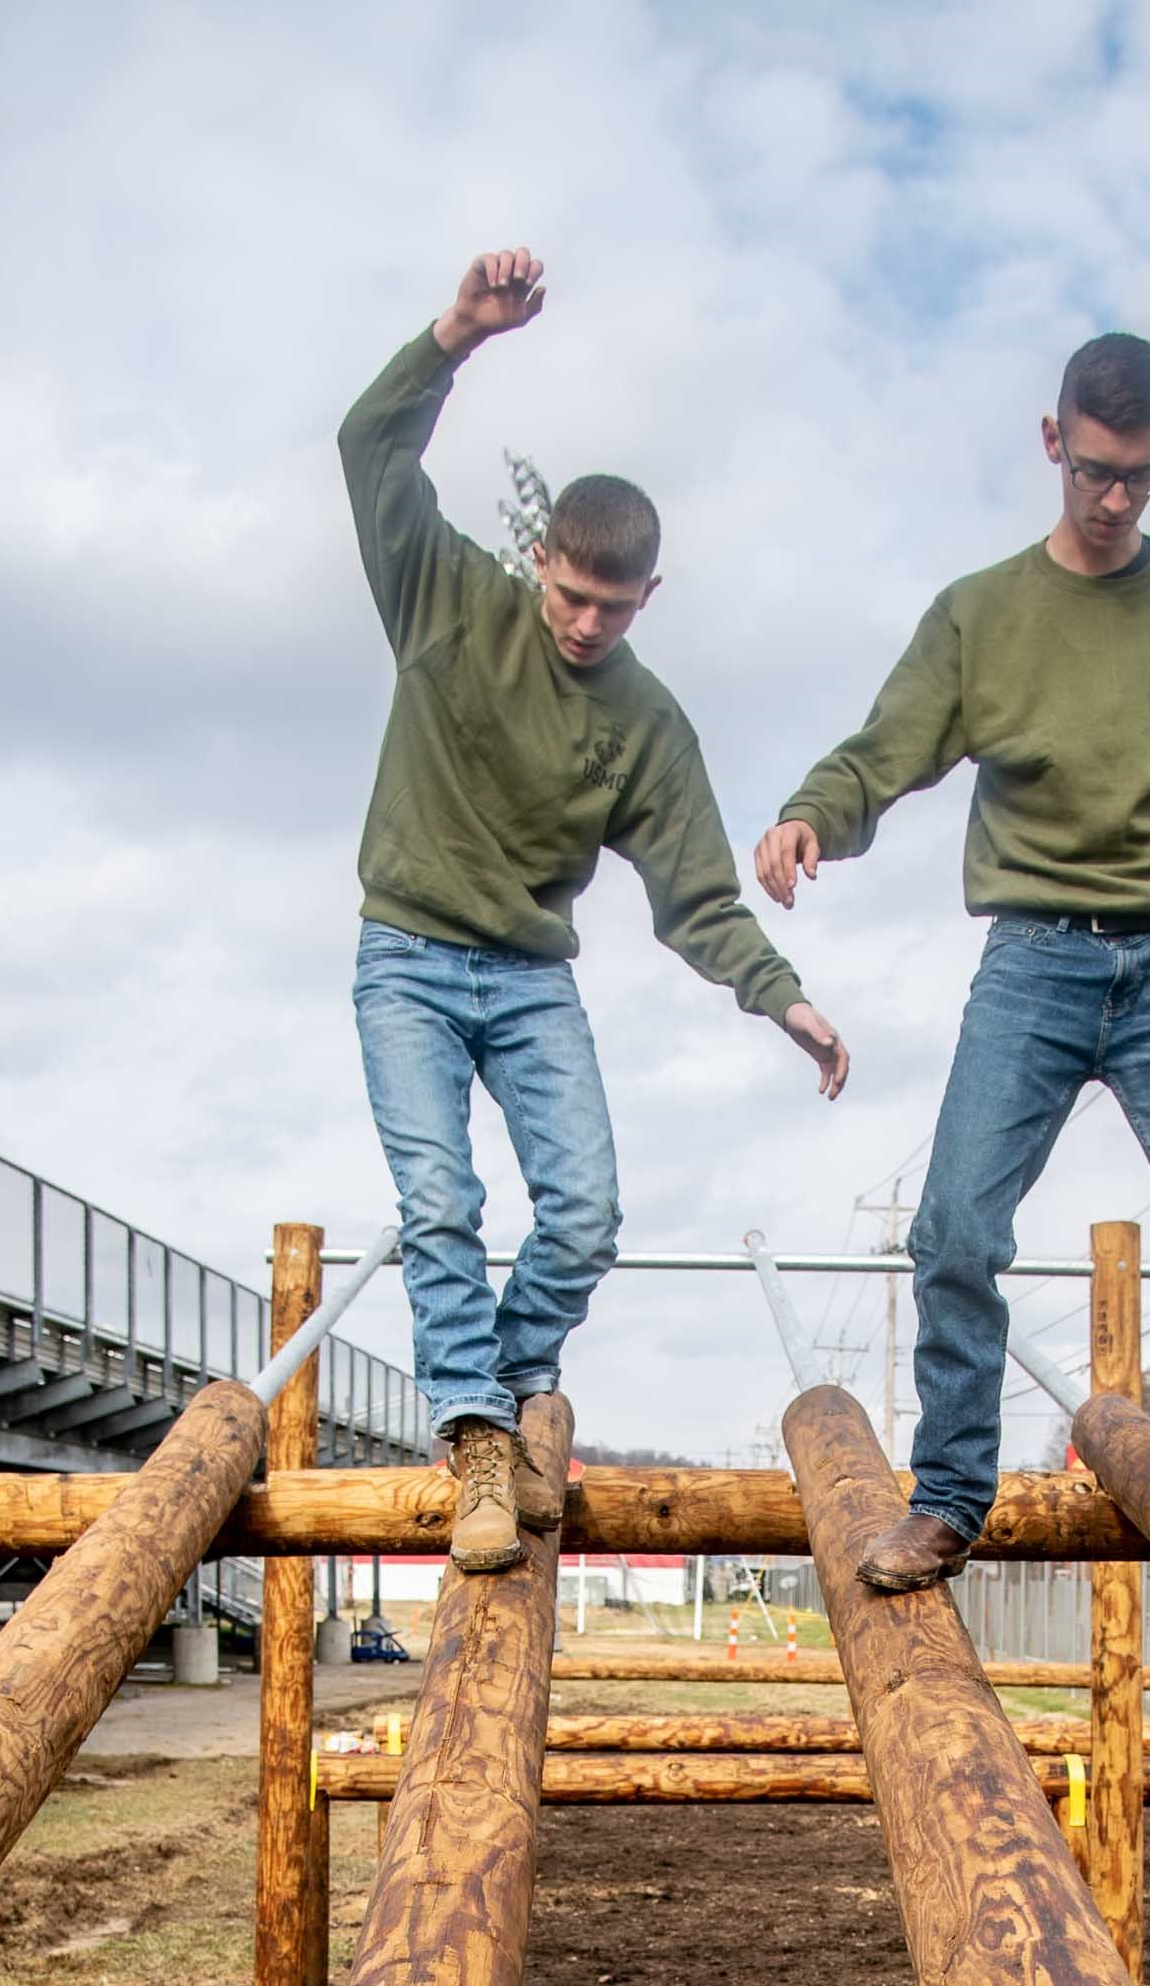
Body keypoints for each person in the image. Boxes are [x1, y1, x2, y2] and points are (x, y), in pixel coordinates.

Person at [756, 328, 1150, 1635]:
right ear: (1054, 443)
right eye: (1096, 471)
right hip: (1034, 961)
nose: (1115, 501)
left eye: (1142, 477)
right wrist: (813, 815)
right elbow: (885, 751)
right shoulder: (982, 616)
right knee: (952, 1232)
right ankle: (947, 1502)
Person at [342, 246, 848, 1573]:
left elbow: (695, 894)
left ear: (648, 601)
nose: (582, 627)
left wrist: (779, 995)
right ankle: (472, 1433)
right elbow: (369, 452)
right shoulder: (448, 599)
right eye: (568, 596)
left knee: (583, 1213)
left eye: (612, 611)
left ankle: (504, 1419)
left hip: (525, 978)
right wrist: (453, 333)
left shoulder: (646, 722)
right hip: (405, 954)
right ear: (537, 559)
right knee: (441, 1199)